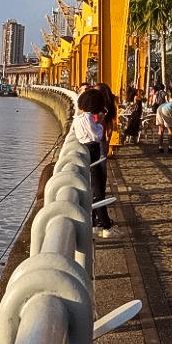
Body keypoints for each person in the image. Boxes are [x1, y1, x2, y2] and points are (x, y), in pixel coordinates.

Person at [74, 86, 112, 237]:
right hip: (93, 150)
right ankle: (105, 225)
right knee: (98, 186)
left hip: (84, 150)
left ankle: (97, 221)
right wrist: (100, 122)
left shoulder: (78, 117)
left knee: (94, 186)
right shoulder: (88, 117)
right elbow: (96, 135)